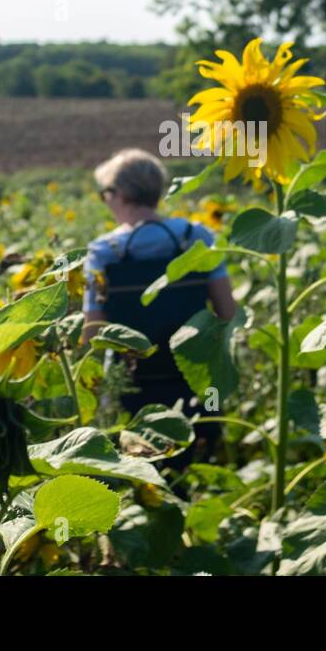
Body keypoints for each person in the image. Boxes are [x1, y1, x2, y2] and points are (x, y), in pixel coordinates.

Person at [82, 149, 236, 473]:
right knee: (201, 469)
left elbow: (94, 330)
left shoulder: (103, 253)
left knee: (141, 474)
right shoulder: (197, 238)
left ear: (120, 194)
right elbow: (227, 312)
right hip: (196, 378)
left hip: (135, 385)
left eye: (105, 194)